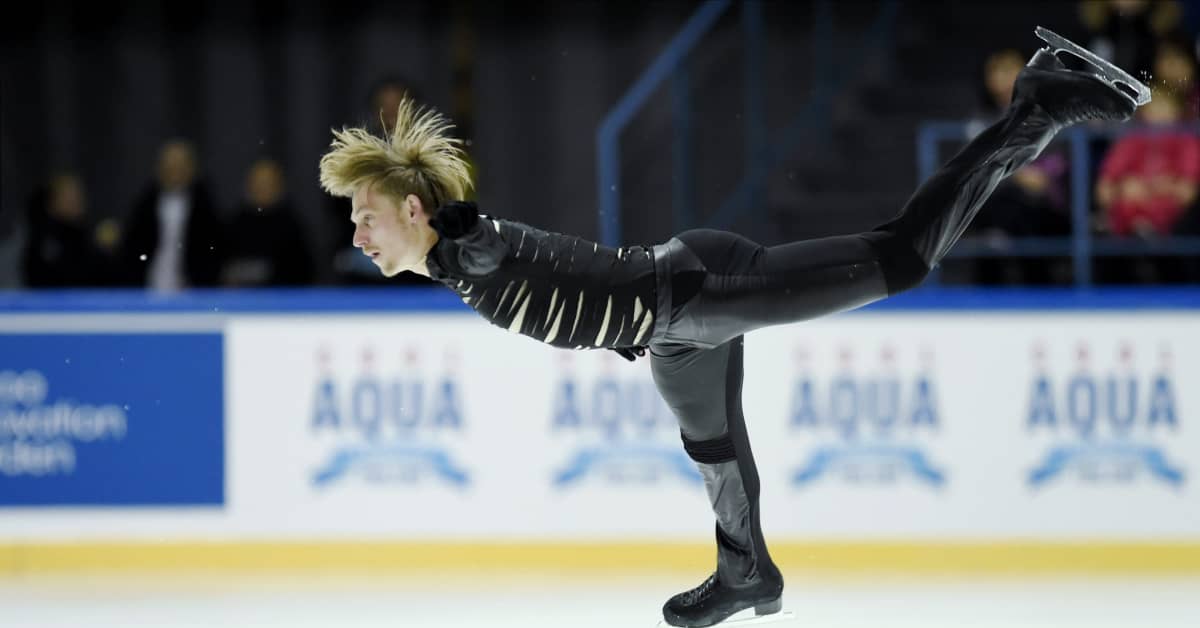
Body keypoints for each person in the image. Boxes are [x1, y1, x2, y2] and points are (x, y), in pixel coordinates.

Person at [318, 30, 1142, 628]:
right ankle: (746, 572)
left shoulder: (468, 247)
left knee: (904, 257)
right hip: (666, 335)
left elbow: (486, 239)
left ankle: (1033, 111)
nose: (357, 232)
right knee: (710, 448)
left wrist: (460, 224)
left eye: (366, 216)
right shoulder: (446, 262)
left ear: (415, 211)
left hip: (696, 289)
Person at [119, 140, 224, 291]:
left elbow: (213, 249)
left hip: (193, 290)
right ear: (159, 168)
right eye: (169, 166)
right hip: (149, 287)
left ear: (191, 168)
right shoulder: (146, 204)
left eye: (180, 166)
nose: (174, 171)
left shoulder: (205, 206)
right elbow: (133, 248)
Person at [221, 158, 315, 287]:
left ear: (279, 187)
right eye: (258, 184)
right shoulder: (234, 224)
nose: (262, 190)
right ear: (248, 186)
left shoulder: (292, 226)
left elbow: (303, 272)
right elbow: (222, 269)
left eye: (268, 184)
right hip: (242, 300)